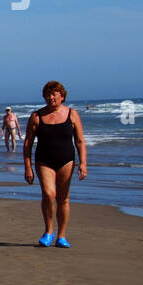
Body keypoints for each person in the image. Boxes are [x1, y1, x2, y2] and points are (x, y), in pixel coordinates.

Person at [23, 81, 87, 248]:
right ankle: (48, 231)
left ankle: (62, 236)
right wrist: (28, 166)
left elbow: (80, 141)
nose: (50, 98)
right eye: (47, 95)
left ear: (62, 96)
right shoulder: (37, 116)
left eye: (54, 94)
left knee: (63, 198)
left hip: (66, 160)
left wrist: (83, 164)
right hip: (44, 161)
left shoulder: (72, 114)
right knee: (48, 194)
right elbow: (28, 143)